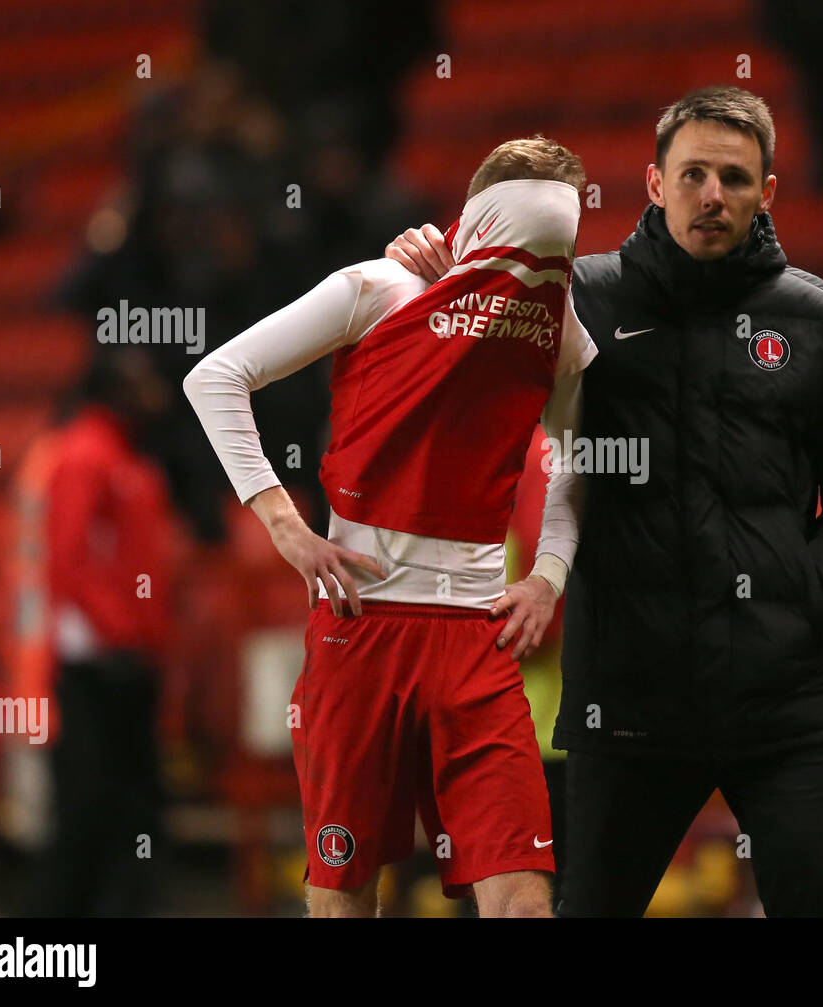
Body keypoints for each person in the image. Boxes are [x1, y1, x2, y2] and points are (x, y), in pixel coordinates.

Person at [387, 87, 823, 917]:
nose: (713, 194)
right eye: (694, 173)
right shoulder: (582, 301)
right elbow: (464, 372)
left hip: (784, 701)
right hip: (628, 705)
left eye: (736, 178)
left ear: (767, 192)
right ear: (653, 181)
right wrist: (425, 279)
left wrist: (812, 596)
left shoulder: (819, 322)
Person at [185, 137, 596, 917]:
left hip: (479, 631)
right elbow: (215, 375)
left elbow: (579, 452)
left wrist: (549, 572)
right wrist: (283, 521)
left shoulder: (558, 323)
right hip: (361, 624)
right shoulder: (381, 286)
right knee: (345, 895)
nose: (542, 271)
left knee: (524, 898)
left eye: (558, 256)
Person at [16, 346, 177, 916]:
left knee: (127, 808)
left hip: (123, 656)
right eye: (142, 382)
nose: (155, 393)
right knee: (91, 807)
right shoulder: (86, 455)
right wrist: (120, 636)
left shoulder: (122, 456)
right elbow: (69, 559)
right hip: (97, 664)